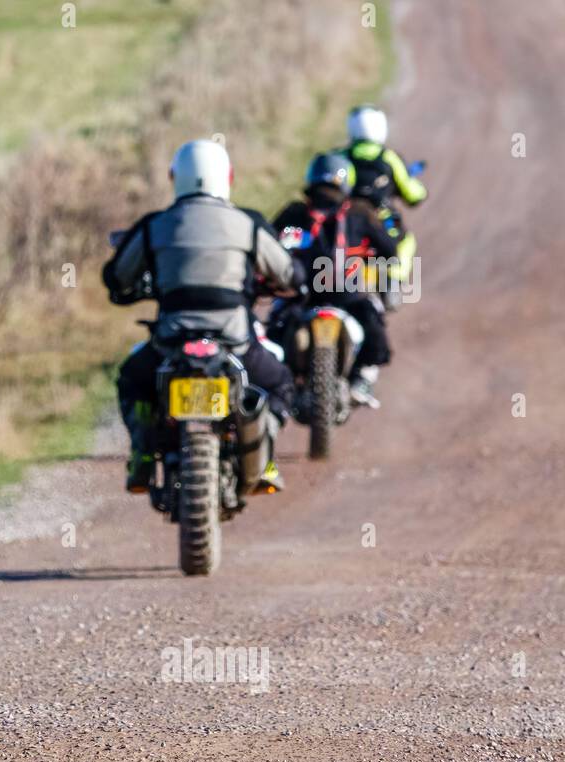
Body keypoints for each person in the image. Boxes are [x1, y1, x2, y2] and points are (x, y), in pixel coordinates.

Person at [103, 139, 299, 493]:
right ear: (228, 177)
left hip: (171, 342)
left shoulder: (155, 225)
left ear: (174, 177)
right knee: (280, 383)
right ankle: (262, 459)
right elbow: (289, 274)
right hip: (235, 341)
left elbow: (116, 278)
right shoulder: (246, 224)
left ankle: (144, 455)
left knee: (132, 382)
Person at [271, 152, 399, 408]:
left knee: (274, 329)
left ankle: (279, 388)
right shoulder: (361, 213)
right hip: (348, 296)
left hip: (302, 295)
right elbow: (389, 248)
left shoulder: (295, 212)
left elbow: (269, 242)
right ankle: (362, 378)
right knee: (374, 323)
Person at [340, 105, 426, 286]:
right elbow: (413, 194)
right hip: (380, 220)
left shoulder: (340, 156)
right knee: (406, 241)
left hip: (346, 219)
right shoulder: (389, 158)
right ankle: (393, 280)